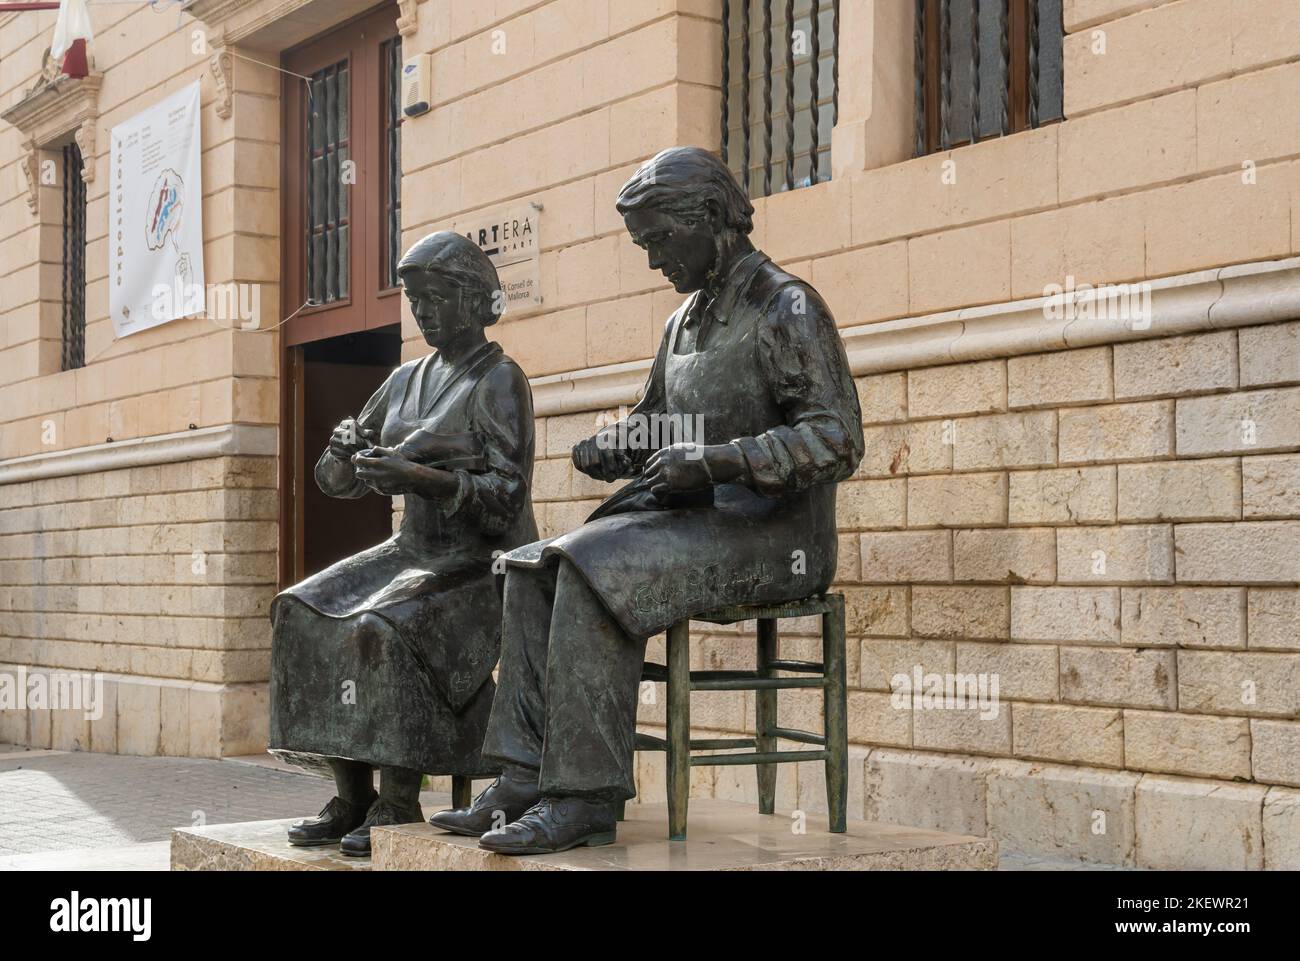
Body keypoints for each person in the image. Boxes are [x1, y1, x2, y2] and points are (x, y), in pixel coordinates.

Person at [430, 146, 864, 854]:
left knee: (592, 564)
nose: (653, 258)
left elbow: (836, 438)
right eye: (645, 244)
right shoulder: (682, 324)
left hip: (776, 534)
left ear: (711, 218)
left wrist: (721, 461)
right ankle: (520, 775)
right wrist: (617, 444)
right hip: (693, 520)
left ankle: (584, 796)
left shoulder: (787, 306)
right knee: (532, 563)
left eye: (660, 239)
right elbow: (663, 419)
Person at [269, 232, 537, 856]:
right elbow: (335, 483)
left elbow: (507, 496)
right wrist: (339, 452)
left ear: (473, 299)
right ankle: (352, 793)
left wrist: (421, 478)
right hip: (410, 550)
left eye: (435, 298)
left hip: (480, 562)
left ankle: (398, 798)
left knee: (381, 628)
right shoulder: (404, 379)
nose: (422, 312)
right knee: (299, 609)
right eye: (415, 300)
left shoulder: (499, 379)